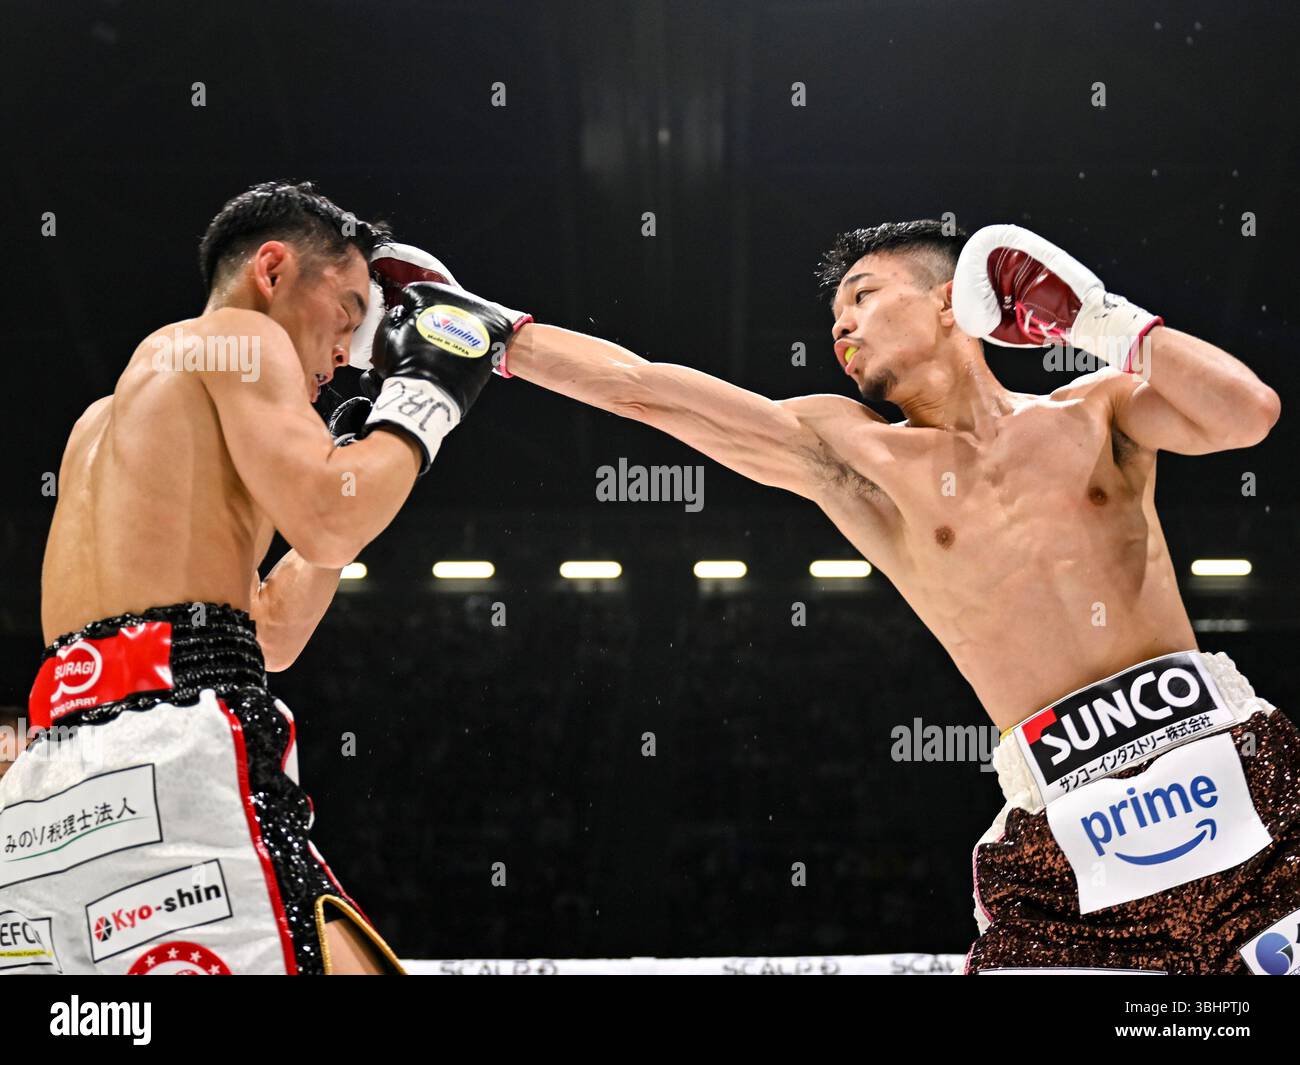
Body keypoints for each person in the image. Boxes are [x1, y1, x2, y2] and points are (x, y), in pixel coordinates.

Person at [489, 219, 1297, 974]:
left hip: (1234, 776)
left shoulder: (1097, 406)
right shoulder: (858, 455)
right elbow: (645, 388)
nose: (840, 327)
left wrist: (1096, 321)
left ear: (950, 300)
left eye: (863, 296)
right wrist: (494, 336)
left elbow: (1248, 413)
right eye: (835, 314)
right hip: (1070, 838)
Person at [0, 180, 526, 975]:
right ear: (272, 271)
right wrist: (426, 397)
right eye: (348, 315)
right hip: (181, 751)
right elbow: (328, 516)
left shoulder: (102, 425)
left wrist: (349, 461)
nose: (348, 354)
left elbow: (269, 632)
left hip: (49, 785)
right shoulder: (241, 340)